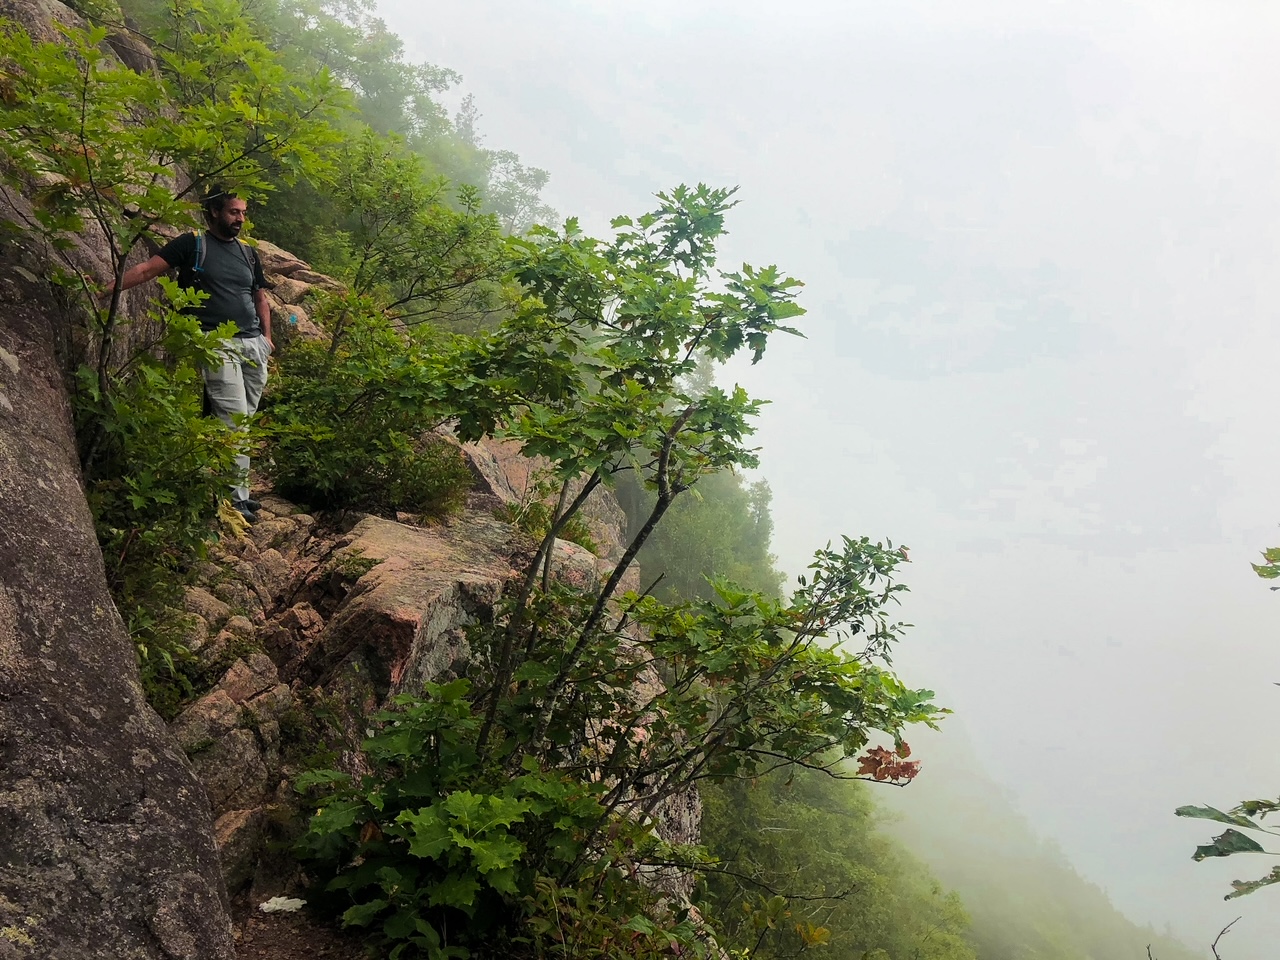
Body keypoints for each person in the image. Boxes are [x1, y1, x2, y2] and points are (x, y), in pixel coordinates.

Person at [103, 189, 273, 523]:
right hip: (215, 342)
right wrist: (106, 287)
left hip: (253, 344)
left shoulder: (248, 253)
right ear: (212, 212)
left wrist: (267, 338)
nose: (240, 219)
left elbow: (259, 295)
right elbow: (146, 270)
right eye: (233, 212)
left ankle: (231, 486)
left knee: (243, 420)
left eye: (243, 213)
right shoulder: (192, 244)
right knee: (235, 420)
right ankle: (234, 500)